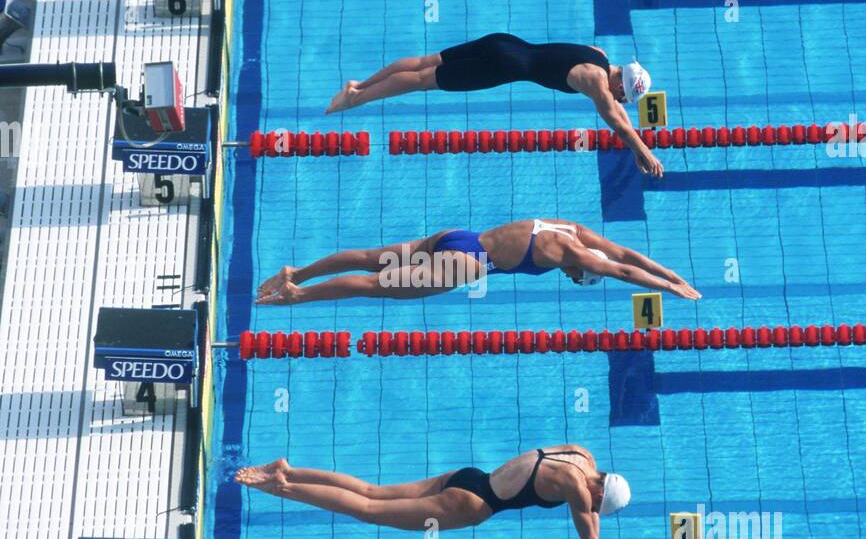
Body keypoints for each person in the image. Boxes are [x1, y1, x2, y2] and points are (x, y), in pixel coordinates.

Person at [236, 443, 632, 539]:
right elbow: (588, 534)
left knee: (373, 492)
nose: (593, 511)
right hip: (473, 504)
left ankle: (289, 470)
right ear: (599, 497)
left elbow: (588, 515)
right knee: (367, 511)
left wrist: (593, 525)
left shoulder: (583, 458)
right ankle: (282, 486)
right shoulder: (579, 492)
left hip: (472, 476)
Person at [326, 36, 661, 176]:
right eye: (623, 97)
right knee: (423, 81)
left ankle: (359, 84)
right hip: (506, 66)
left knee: (427, 61)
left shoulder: (599, 55)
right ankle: (358, 98)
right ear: (620, 85)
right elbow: (616, 121)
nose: (619, 102)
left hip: (505, 41)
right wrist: (643, 151)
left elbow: (616, 114)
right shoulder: (595, 81)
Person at [253, 217, 700, 305]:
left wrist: (671, 271)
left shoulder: (572, 229)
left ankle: (298, 271)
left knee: (373, 258)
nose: (570, 275)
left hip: (458, 235)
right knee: (376, 286)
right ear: (581, 270)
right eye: (576, 278)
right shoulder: (574, 251)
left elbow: (624, 252)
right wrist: (670, 289)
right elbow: (621, 269)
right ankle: (299, 294)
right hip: (468, 264)